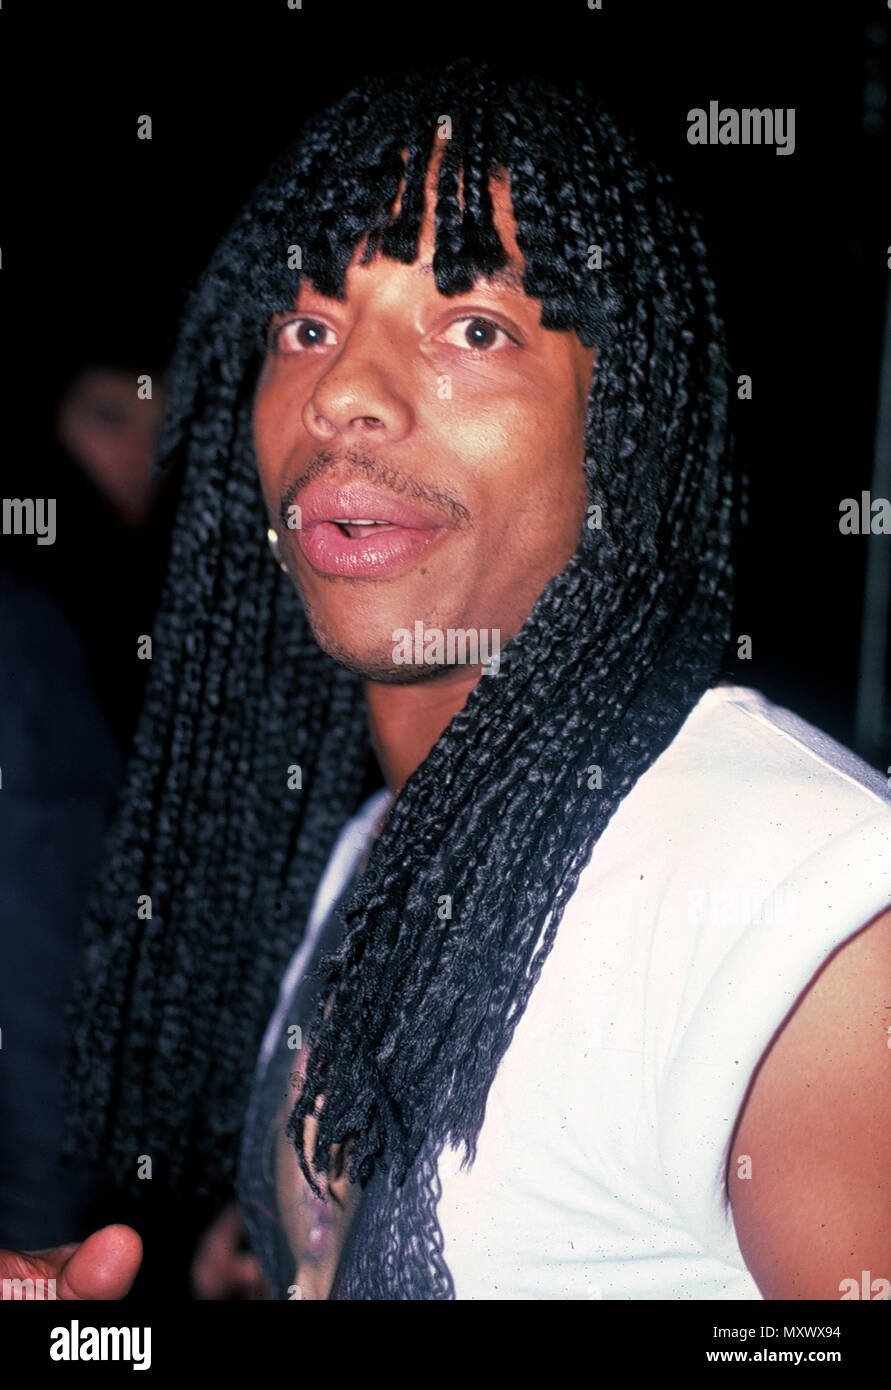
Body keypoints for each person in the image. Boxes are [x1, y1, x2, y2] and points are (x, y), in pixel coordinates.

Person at [5, 58, 888, 1301]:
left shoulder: (797, 901)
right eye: (307, 328)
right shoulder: (367, 854)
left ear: (619, 428)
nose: (341, 397)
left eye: (475, 329)